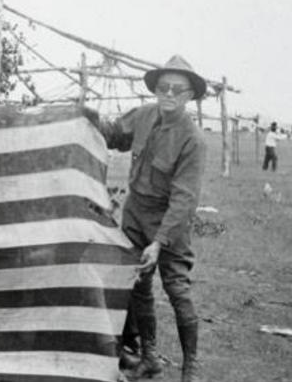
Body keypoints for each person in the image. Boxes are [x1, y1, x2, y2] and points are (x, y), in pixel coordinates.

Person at [84, 55, 207, 382]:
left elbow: (184, 198)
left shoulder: (192, 139)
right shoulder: (143, 116)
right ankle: (149, 357)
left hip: (170, 223)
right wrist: (87, 118)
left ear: (189, 95)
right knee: (137, 285)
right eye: (163, 87)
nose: (168, 94)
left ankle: (190, 368)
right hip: (136, 215)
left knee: (177, 289)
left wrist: (159, 242)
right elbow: (113, 134)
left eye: (177, 90)